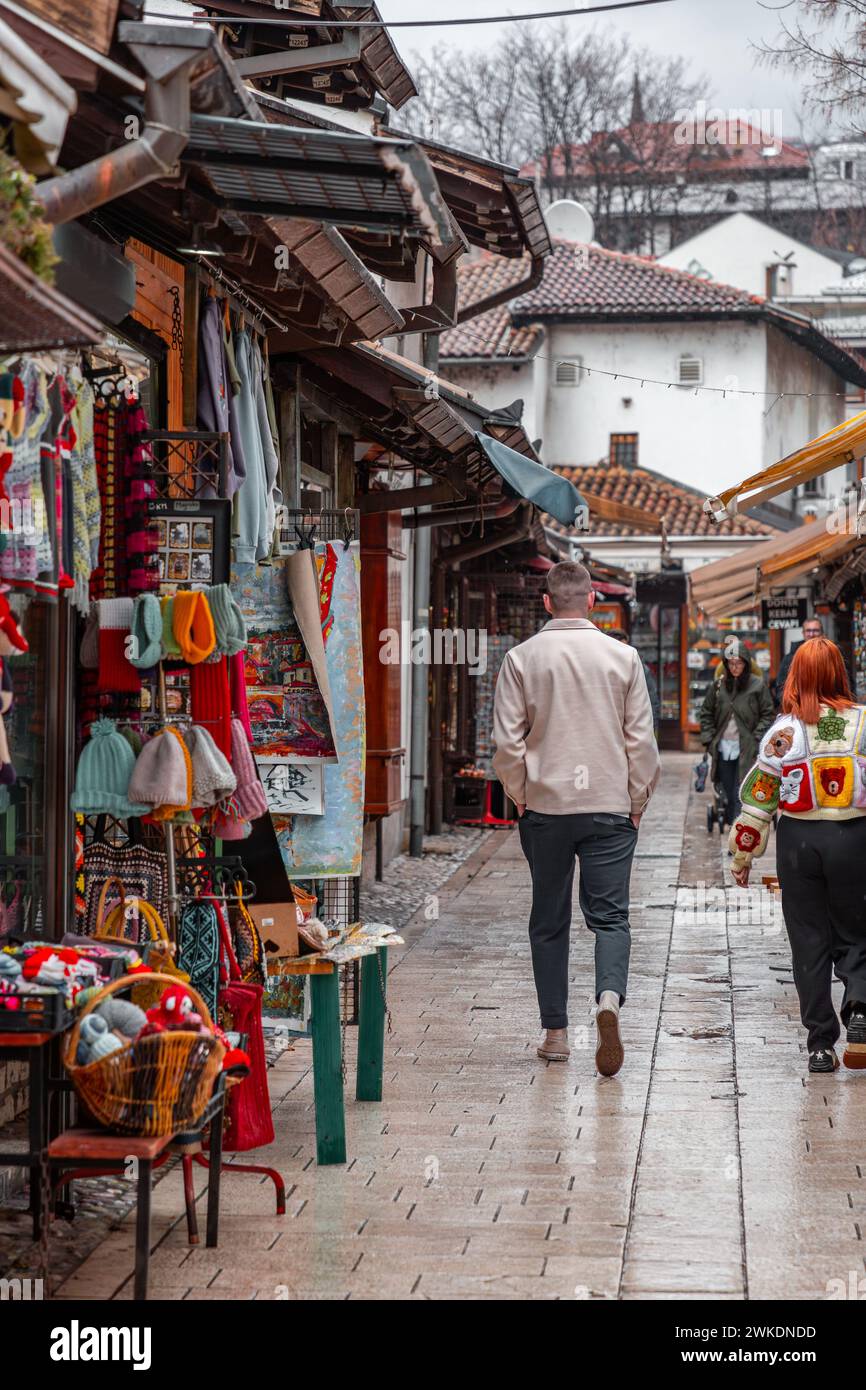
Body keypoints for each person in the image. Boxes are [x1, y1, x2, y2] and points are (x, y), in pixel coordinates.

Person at [492, 561, 660, 1075]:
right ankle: (608, 1000)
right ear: (592, 601)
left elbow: (506, 744)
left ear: (546, 602)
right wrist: (637, 799)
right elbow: (641, 742)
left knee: (549, 920)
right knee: (611, 917)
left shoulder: (521, 660)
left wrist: (521, 795)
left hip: (547, 807)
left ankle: (556, 1033)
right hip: (609, 806)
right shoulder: (623, 657)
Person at [729, 637, 866, 1075]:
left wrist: (742, 855)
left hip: (800, 843)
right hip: (855, 839)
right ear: (839, 674)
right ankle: (860, 1009)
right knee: (857, 931)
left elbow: (759, 797)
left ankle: (820, 1045)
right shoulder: (863, 723)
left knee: (809, 940)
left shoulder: (784, 732)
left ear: (797, 678)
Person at [699, 639, 773, 822]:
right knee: (726, 788)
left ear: (746, 663)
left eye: (738, 663)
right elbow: (706, 712)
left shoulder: (757, 686)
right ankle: (734, 822)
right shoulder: (718, 686)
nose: (734, 667)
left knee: (740, 790)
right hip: (723, 748)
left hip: (747, 748)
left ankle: (738, 832)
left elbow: (767, 714)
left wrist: (757, 738)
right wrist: (709, 740)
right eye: (731, 663)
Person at [607, 628, 660, 736]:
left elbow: (651, 702)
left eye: (624, 648)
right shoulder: (601, 669)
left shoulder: (640, 669)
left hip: (632, 732)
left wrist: (650, 729)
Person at [771, 616, 823, 708]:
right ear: (803, 633)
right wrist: (794, 706)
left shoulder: (832, 654)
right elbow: (781, 688)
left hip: (828, 709)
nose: (811, 634)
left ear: (822, 633)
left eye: (815, 630)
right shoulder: (790, 657)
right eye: (808, 630)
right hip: (799, 710)